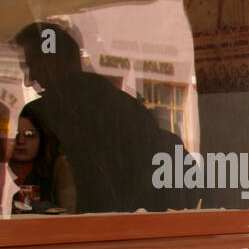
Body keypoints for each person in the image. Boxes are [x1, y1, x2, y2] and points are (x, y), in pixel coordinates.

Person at [13, 21, 194, 213]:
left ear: (52, 62)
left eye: (31, 64)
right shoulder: (130, 108)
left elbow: (31, 193)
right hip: (135, 228)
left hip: (74, 231)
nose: (29, 79)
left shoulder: (43, 113)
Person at [6, 114, 76, 213]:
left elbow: (68, 212)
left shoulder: (57, 166)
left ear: (41, 138)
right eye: (13, 134)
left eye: (29, 135)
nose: (21, 141)